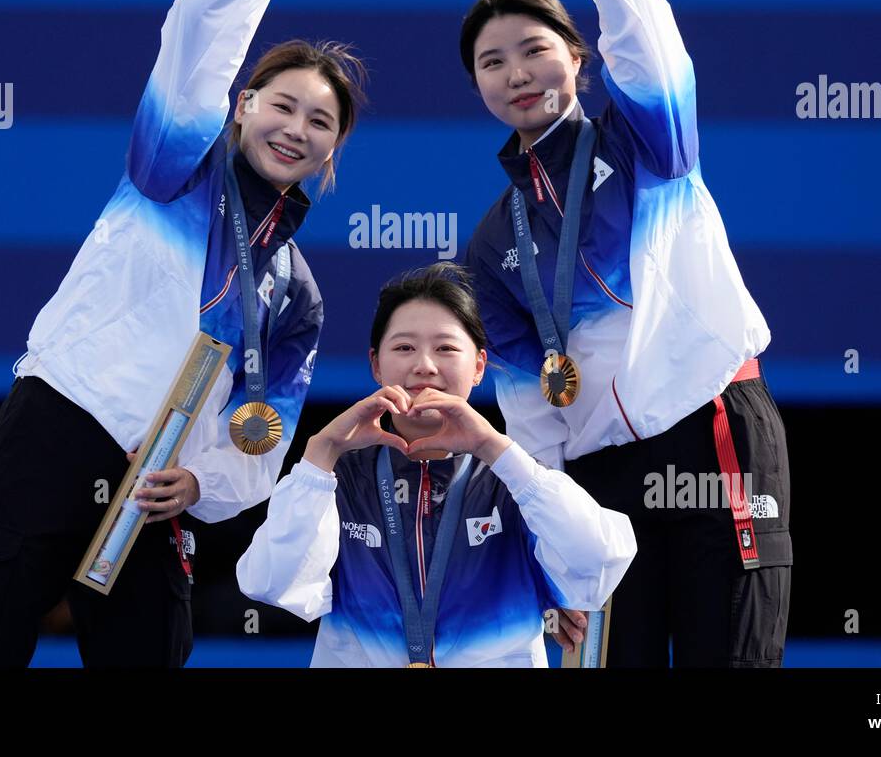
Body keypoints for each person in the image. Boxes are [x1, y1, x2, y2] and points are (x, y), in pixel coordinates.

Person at [0, 0, 396, 667]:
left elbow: (266, 424)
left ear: (332, 150)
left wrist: (202, 485)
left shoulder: (297, 293)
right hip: (58, 426)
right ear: (241, 106)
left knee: (150, 656)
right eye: (282, 104)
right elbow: (196, 20)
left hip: (157, 483)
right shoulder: (175, 166)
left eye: (321, 122)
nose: (297, 128)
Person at [384, 0, 792, 667]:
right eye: (491, 63)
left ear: (579, 56)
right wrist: (554, 549)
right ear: (476, 86)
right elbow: (532, 418)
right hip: (597, 486)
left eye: (533, 50)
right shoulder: (494, 242)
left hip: (712, 438)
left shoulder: (649, 141)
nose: (516, 75)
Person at [236, 263, 637, 667]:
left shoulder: (517, 478)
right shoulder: (337, 481)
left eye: (446, 348)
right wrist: (318, 455)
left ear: (479, 365)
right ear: (376, 365)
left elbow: (599, 560)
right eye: (404, 347)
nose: (425, 365)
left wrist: (495, 449)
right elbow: (272, 583)